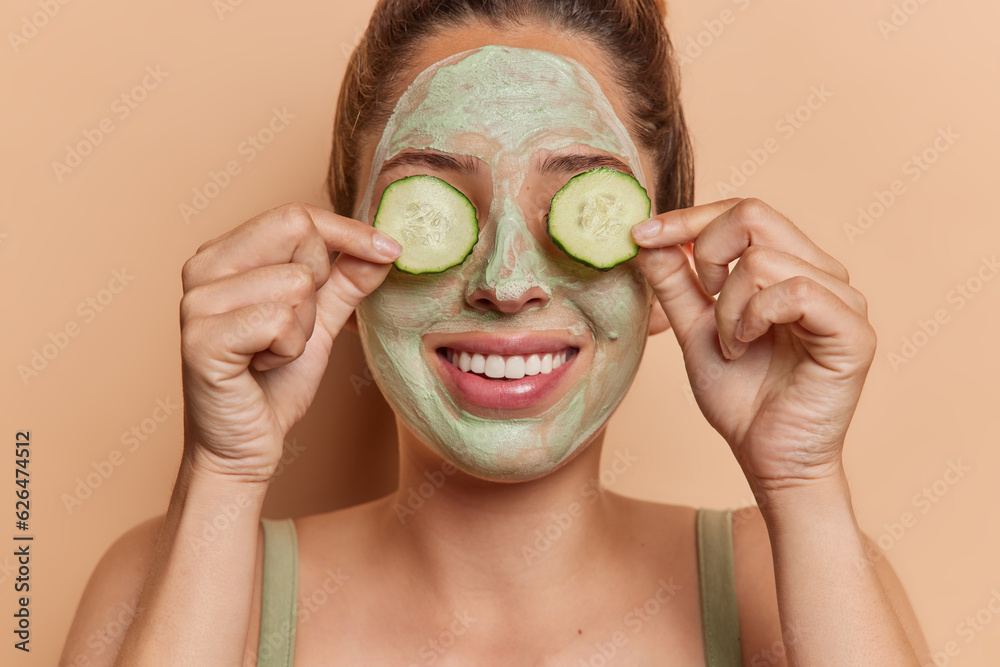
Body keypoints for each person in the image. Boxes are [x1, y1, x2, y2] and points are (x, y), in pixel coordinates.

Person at [62, 0, 932, 664]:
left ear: (673, 266)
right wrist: (223, 472)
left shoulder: (780, 582)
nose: (508, 283)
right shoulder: (166, 584)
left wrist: (805, 482)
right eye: (438, 202)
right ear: (335, 258)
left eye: (578, 201)